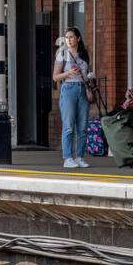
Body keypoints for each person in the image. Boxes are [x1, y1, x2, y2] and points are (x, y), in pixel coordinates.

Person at [53, 27, 92, 169]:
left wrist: (89, 86)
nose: (68, 40)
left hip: (83, 88)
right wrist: (68, 73)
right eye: (67, 37)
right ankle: (68, 157)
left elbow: (87, 73)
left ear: (78, 38)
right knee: (69, 126)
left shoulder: (84, 54)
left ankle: (80, 157)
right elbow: (55, 76)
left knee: (82, 126)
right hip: (68, 89)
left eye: (71, 37)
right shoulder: (62, 54)